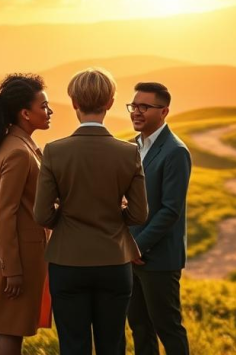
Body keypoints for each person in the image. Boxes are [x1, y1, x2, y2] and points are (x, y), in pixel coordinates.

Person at [34, 67, 148, 355]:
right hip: (114, 260)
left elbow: (42, 215)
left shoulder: (54, 151)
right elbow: (138, 214)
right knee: (113, 345)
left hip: (67, 261)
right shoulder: (129, 152)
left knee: (73, 345)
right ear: (110, 103)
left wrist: (69, 217)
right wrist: (111, 217)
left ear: (73, 103)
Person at [0, 74, 55, 355]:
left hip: (4, 248)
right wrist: (13, 270)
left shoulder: (11, 143)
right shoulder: (19, 152)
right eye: (43, 106)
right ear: (25, 113)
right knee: (12, 329)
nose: (49, 111)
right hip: (17, 252)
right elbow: (5, 213)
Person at [125, 82, 191, 355]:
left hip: (158, 258)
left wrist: (138, 245)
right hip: (129, 254)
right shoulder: (131, 147)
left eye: (145, 107)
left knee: (168, 328)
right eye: (134, 106)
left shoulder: (175, 151)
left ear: (164, 111)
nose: (136, 112)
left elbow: (170, 210)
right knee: (139, 326)